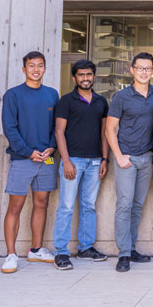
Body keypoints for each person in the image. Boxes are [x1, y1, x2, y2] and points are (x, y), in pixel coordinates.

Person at [1, 51, 59, 274]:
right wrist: (28, 152)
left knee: (42, 202)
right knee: (15, 205)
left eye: (40, 65)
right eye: (31, 66)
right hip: (22, 158)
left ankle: (36, 249)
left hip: (48, 158)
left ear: (45, 68)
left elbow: (57, 126)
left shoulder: (52, 94)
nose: (36, 69)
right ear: (24, 69)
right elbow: (10, 128)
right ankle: (10, 254)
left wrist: (51, 147)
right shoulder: (13, 95)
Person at [106, 52, 153, 273]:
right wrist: (119, 156)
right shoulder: (122, 97)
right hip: (126, 158)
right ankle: (123, 254)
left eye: (148, 68)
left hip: (147, 158)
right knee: (124, 205)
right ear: (132, 70)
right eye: (140, 68)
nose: (144, 72)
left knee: (137, 206)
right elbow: (110, 128)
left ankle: (131, 247)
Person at [52, 59, 109, 270]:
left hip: (95, 162)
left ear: (94, 76)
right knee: (66, 207)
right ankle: (61, 252)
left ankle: (86, 248)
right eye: (81, 75)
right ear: (75, 77)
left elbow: (104, 133)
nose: (85, 78)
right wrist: (66, 161)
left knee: (89, 206)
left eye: (89, 75)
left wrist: (105, 159)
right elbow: (59, 132)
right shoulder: (66, 101)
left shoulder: (101, 102)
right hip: (73, 160)